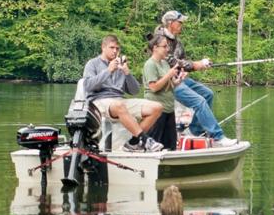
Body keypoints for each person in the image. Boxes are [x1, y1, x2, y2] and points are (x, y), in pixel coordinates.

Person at [151, 10, 237, 147]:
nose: (182, 24)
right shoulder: (159, 40)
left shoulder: (177, 41)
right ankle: (218, 136)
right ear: (170, 23)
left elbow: (183, 61)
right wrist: (198, 64)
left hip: (179, 78)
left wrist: (187, 70)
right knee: (199, 101)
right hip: (168, 83)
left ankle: (195, 130)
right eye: (180, 22)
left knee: (207, 94)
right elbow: (172, 62)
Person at [81, 34, 164, 152]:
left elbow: (135, 91)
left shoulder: (120, 65)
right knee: (119, 105)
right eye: (112, 48)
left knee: (157, 107)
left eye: (117, 48)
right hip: (99, 102)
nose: (115, 51)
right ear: (103, 47)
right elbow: (88, 86)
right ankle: (145, 140)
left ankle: (133, 143)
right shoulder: (93, 64)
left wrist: (127, 73)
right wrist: (108, 70)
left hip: (119, 101)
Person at [141, 34, 179, 150]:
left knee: (171, 146)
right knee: (155, 144)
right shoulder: (150, 64)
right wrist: (169, 74)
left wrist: (179, 79)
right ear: (155, 48)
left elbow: (170, 84)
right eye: (164, 46)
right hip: (156, 111)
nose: (167, 49)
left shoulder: (165, 63)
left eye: (167, 46)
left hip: (169, 109)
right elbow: (154, 87)